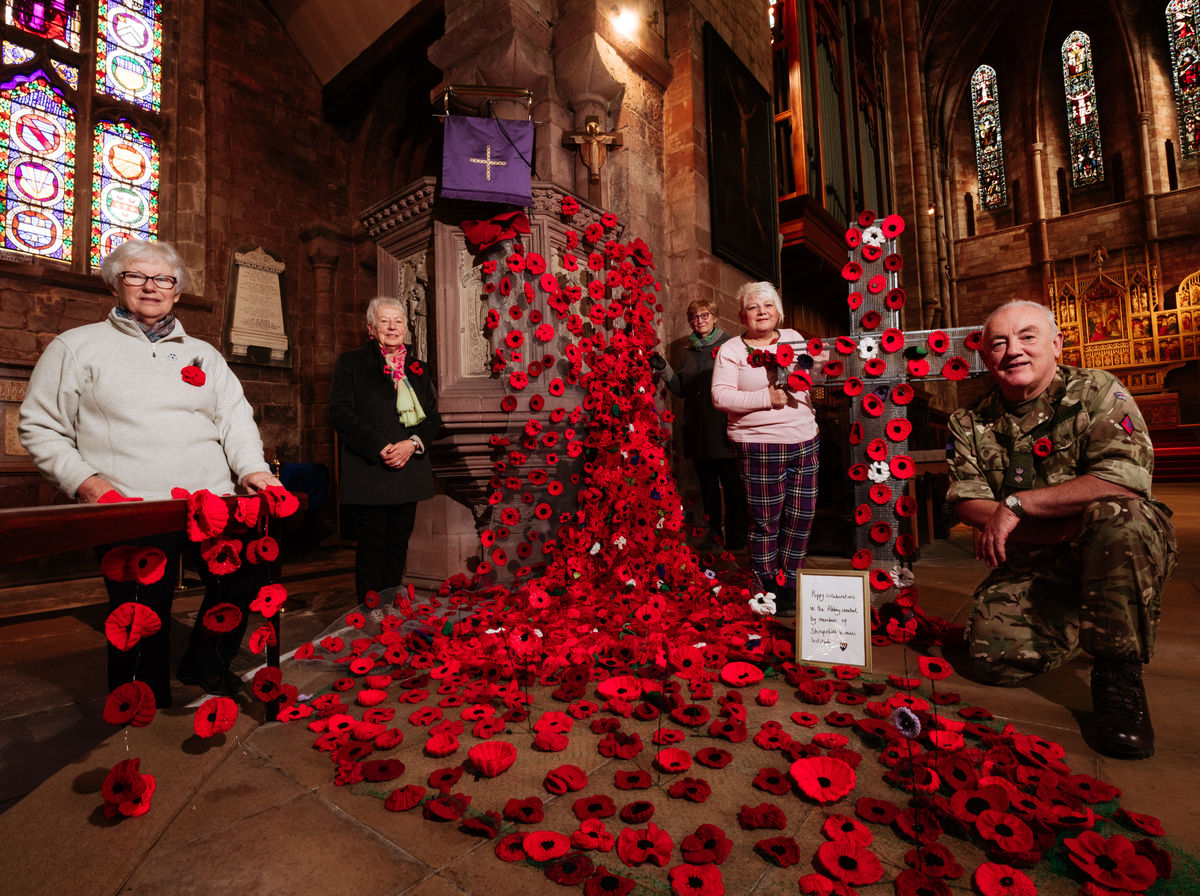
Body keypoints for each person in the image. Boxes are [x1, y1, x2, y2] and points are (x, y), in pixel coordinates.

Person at [18, 239, 283, 707]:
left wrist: (253, 471)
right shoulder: (77, 347)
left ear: (177, 291)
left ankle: (207, 663)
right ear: (116, 284)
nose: (151, 287)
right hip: (132, 504)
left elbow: (235, 420)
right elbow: (41, 427)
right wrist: (89, 484)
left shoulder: (205, 354)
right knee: (141, 610)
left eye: (163, 279)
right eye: (136, 276)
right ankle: (141, 698)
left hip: (213, 502)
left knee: (243, 577)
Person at [947, 299, 1176, 759]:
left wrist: (1016, 505)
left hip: (1113, 544)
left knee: (1118, 518)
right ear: (986, 358)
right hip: (1036, 561)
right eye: (999, 342)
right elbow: (969, 503)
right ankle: (1087, 615)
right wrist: (1058, 529)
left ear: (1056, 344)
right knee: (992, 658)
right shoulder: (970, 421)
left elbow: (1125, 481)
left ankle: (1118, 673)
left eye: (1027, 337)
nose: (1013, 350)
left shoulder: (1096, 392)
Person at [711, 281, 827, 616]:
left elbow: (809, 379)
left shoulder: (793, 339)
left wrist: (817, 367)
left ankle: (789, 582)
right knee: (766, 521)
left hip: (804, 440)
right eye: (753, 307)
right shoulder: (732, 350)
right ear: (742, 315)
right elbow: (720, 397)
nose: (762, 311)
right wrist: (768, 398)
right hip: (759, 445)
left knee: (801, 517)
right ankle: (766, 586)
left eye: (768, 306)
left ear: (778, 311)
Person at [329, 298, 441, 601]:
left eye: (398, 321)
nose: (392, 327)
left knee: (398, 544)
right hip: (371, 469)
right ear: (371, 327)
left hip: (409, 469)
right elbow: (340, 412)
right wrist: (380, 446)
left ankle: (390, 604)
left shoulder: (418, 368)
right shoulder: (352, 362)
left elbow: (432, 418)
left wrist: (411, 444)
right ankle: (370, 607)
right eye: (384, 321)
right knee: (372, 544)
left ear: (405, 327)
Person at [652, 298, 747, 550]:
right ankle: (715, 537)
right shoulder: (687, 352)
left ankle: (737, 541)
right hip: (698, 431)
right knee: (708, 489)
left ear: (715, 317)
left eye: (704, 315)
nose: (699, 321)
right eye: (694, 317)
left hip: (725, 430)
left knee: (733, 488)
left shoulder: (731, 345)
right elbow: (681, 389)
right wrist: (663, 369)